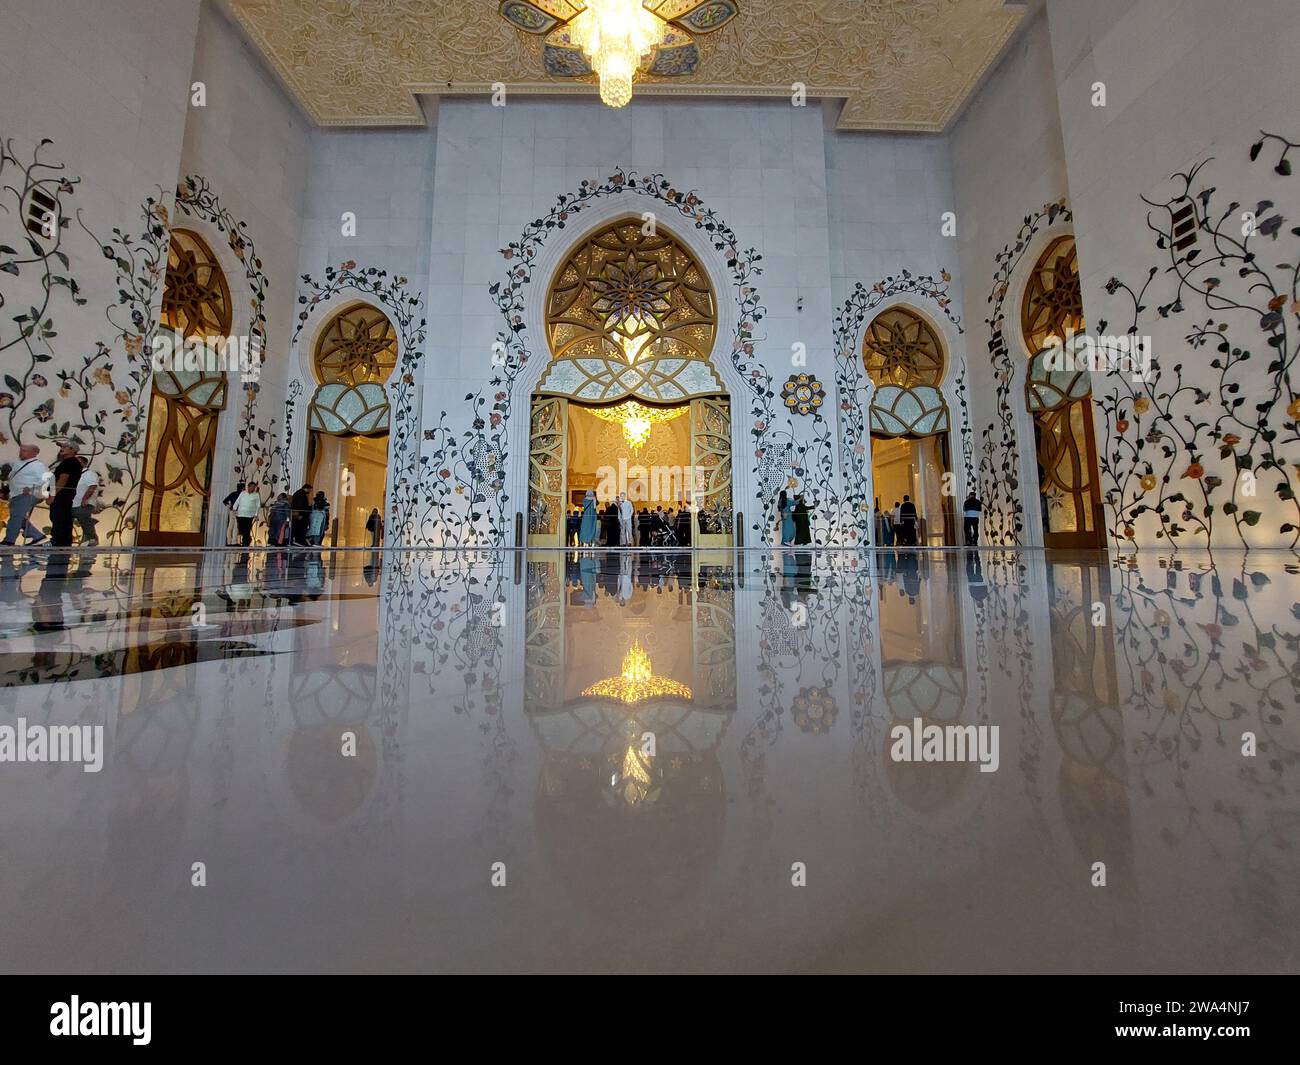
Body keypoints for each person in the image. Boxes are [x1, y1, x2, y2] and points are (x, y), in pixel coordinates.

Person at [3, 444, 50, 546]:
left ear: (34, 453)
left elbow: (45, 479)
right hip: (16, 494)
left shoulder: (38, 466)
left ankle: (9, 541)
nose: (21, 452)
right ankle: (37, 536)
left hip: (28, 495)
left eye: (24, 451)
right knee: (19, 516)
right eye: (21, 450)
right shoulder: (17, 463)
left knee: (16, 516)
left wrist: (31, 488)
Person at [49, 443, 83, 547]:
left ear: (73, 450)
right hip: (67, 494)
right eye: (61, 447)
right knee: (64, 517)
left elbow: (63, 480)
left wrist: (52, 495)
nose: (62, 449)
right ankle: (64, 541)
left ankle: (57, 541)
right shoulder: (72, 462)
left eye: (65, 447)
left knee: (58, 516)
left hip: (62, 494)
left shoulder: (69, 463)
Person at [70, 455, 100, 545]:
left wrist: (85, 499)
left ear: (83, 463)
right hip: (72, 503)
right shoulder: (73, 474)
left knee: (84, 521)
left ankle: (92, 539)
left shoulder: (89, 474)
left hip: (83, 503)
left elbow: (93, 486)